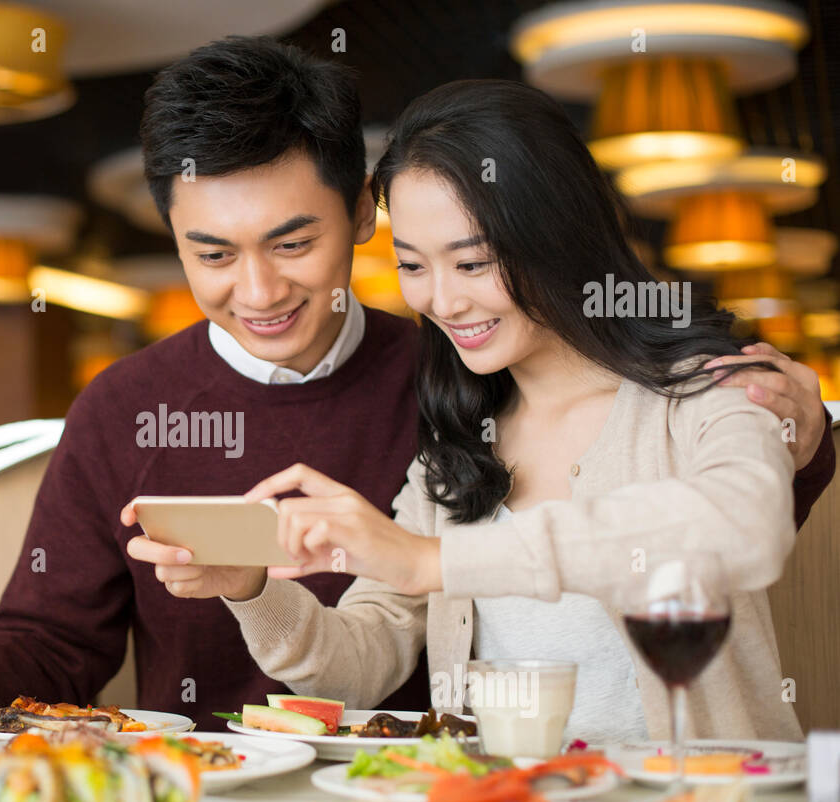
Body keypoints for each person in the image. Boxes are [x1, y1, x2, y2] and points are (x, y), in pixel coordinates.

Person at [0, 40, 833, 734]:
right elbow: (359, 650)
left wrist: (802, 433)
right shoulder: (452, 420)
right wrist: (254, 588)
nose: (254, 289)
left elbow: (724, 523)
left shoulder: (473, 381)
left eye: (292, 241)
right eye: (211, 251)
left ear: (356, 215)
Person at [131, 78, 833, 743]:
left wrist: (435, 560)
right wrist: (253, 591)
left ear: (557, 235)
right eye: (413, 265)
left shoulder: (710, 391)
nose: (442, 301)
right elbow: (361, 661)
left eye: (472, 263)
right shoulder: (459, 442)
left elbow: (744, 530)